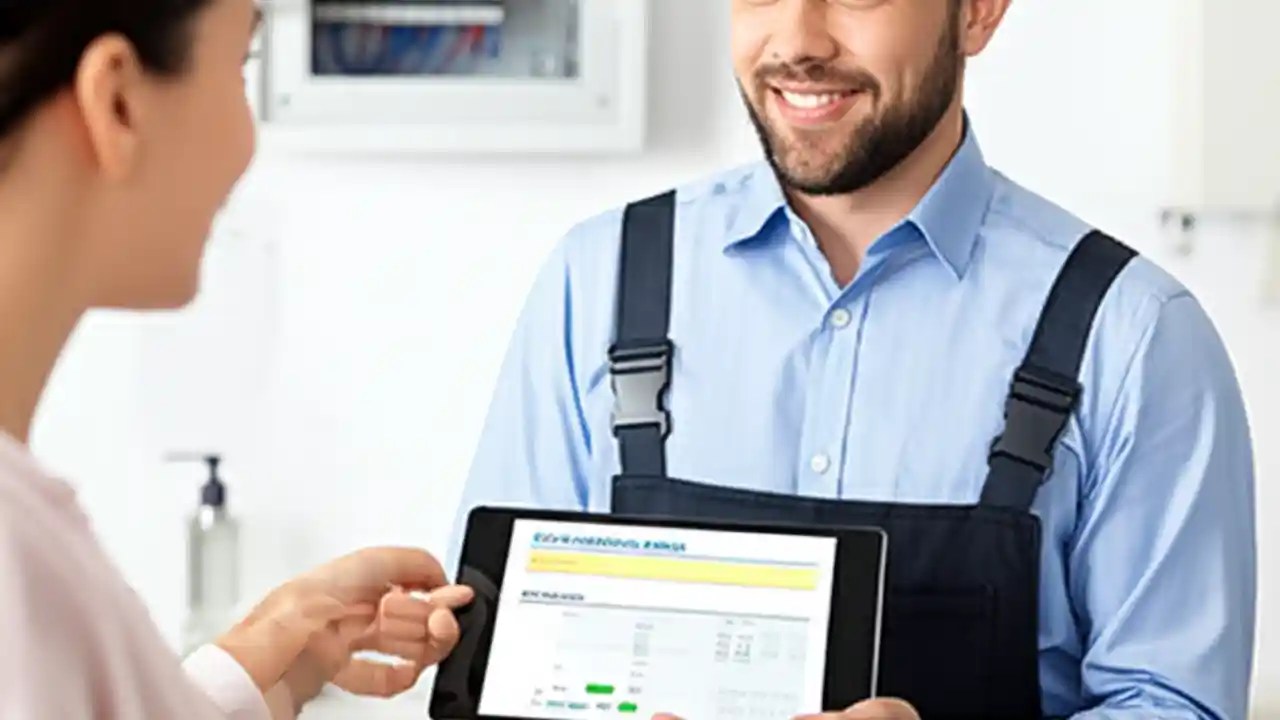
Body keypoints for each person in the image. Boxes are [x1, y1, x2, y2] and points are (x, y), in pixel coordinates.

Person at [451, 0, 1257, 718]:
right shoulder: (597, 280)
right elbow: (502, 668)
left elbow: (1174, 704)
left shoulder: (1133, 334)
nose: (798, 39)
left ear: (978, 12)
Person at [0, 0, 472, 717]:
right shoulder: (21, 568)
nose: (248, 144)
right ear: (119, 102)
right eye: (240, 66)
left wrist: (268, 657)